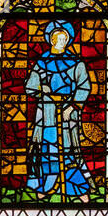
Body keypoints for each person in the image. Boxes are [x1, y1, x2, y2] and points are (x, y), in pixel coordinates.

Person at [25, 20, 93, 198]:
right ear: (52, 40)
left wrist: (72, 107)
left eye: (65, 39)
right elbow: (30, 87)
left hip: (67, 114)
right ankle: (46, 186)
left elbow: (84, 87)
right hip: (47, 113)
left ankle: (77, 188)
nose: (61, 42)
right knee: (47, 148)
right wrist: (43, 90)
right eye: (58, 38)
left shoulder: (76, 63)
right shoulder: (42, 63)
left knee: (69, 149)